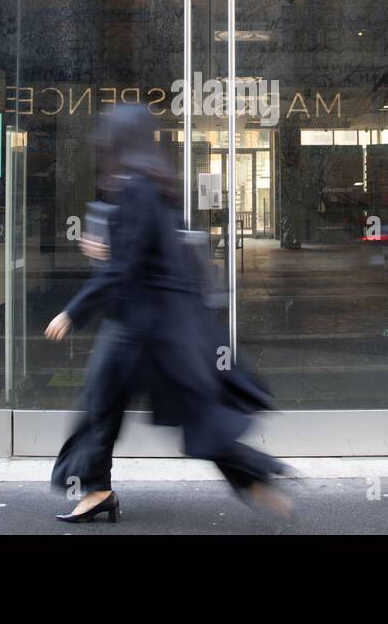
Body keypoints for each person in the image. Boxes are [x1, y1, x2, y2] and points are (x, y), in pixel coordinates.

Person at [44, 104, 292, 523]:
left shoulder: (137, 187)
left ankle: (258, 480)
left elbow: (126, 266)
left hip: (140, 327)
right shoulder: (153, 184)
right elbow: (142, 255)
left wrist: (73, 311)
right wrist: (109, 251)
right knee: (123, 405)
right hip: (153, 324)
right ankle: (98, 489)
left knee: (112, 406)